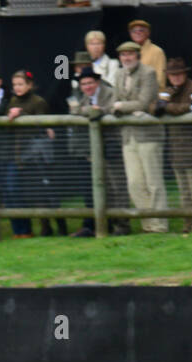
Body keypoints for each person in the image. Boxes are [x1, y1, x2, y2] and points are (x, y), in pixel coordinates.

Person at [111, 42, 167, 234]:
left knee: (153, 181)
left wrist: (120, 106)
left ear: (137, 55)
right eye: (123, 55)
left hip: (148, 134)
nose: (126, 58)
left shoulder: (148, 73)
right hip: (128, 135)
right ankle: (148, 224)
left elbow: (143, 103)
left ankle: (159, 225)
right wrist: (121, 107)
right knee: (134, 183)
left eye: (130, 54)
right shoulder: (118, 74)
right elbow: (112, 102)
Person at [5, 69, 59, 237]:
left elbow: (41, 125)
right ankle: (44, 226)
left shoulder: (38, 101)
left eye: (21, 84)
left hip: (39, 155)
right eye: (15, 85)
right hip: (22, 154)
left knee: (49, 192)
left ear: (30, 85)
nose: (18, 88)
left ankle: (60, 224)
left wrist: (22, 114)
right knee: (34, 193)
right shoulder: (12, 101)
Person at [72, 66, 117, 237]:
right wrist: (89, 111)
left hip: (109, 149)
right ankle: (90, 226)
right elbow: (74, 110)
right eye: (84, 84)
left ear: (97, 82)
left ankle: (116, 224)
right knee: (88, 190)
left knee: (113, 188)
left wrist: (100, 111)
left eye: (90, 83)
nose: (87, 87)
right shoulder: (81, 97)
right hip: (87, 151)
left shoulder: (109, 93)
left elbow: (111, 109)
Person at [162, 57, 192, 232]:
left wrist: (166, 106)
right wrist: (165, 105)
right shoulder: (170, 90)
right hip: (176, 150)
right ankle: (188, 224)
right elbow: (155, 106)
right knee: (185, 193)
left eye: (178, 74)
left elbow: (188, 107)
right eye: (172, 75)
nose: (176, 78)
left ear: (185, 74)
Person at [128, 19, 167, 88]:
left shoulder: (157, 51)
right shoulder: (128, 51)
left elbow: (160, 79)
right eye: (134, 31)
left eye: (141, 30)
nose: (137, 33)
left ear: (148, 33)